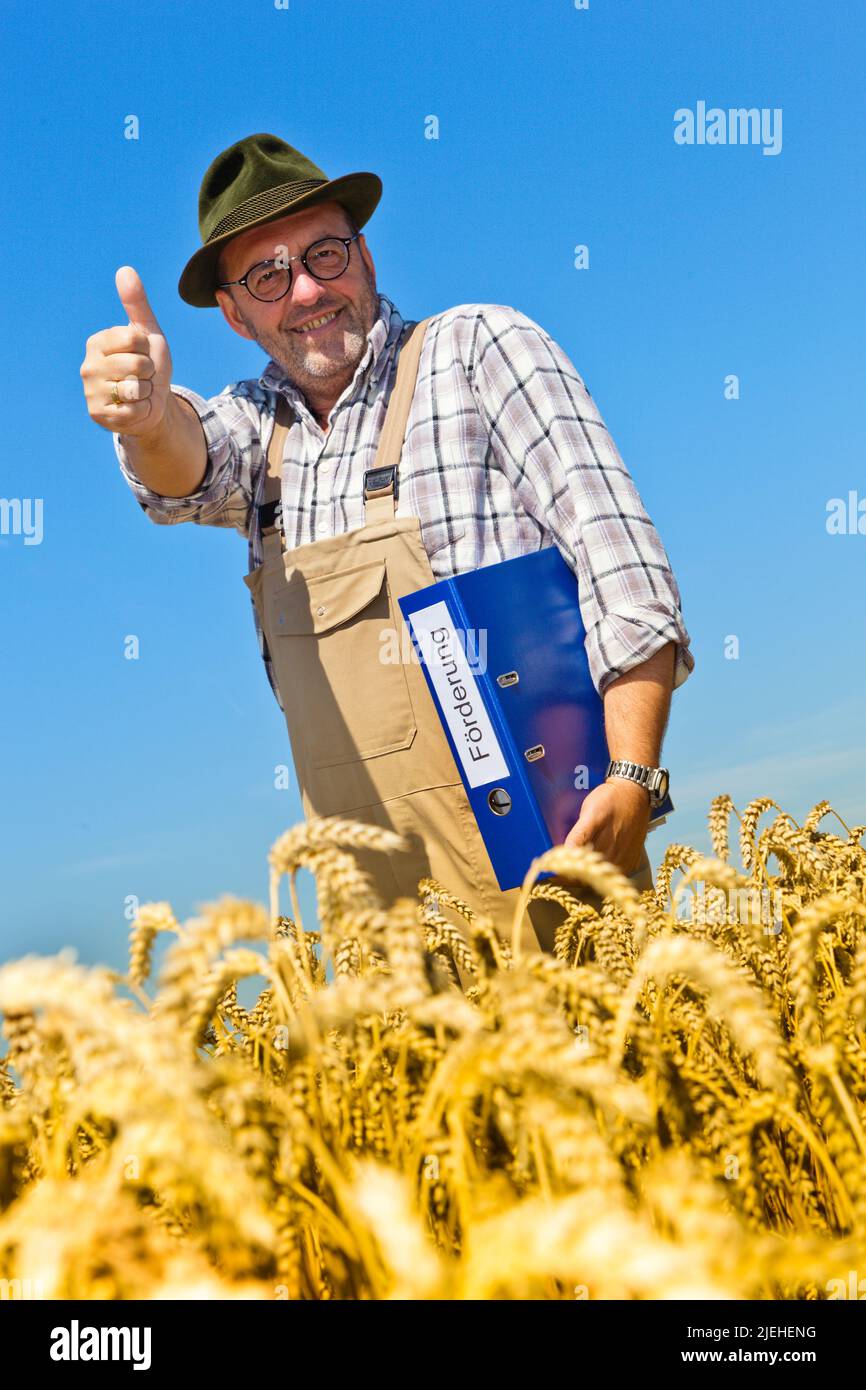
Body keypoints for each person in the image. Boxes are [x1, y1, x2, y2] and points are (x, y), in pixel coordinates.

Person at [79, 132, 695, 963]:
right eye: (266, 274)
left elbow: (624, 572)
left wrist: (634, 780)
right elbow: (178, 469)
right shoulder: (255, 434)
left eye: (324, 253)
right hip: (383, 960)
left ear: (365, 254)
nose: (305, 290)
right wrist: (147, 421)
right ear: (234, 313)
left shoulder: (478, 350)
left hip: (559, 892)